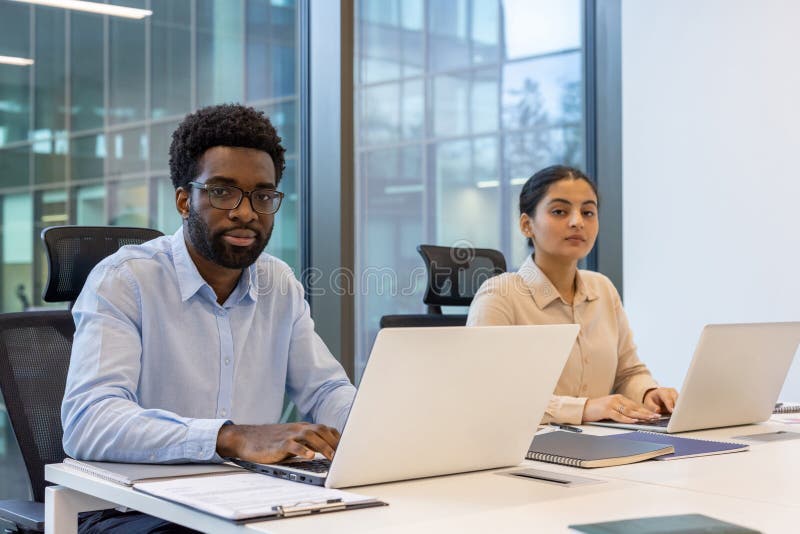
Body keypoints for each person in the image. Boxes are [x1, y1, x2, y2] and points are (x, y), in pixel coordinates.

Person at [62, 104, 356, 532]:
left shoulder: (278, 282)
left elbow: (326, 388)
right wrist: (231, 437)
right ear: (184, 200)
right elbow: (90, 420)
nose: (245, 212)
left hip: (255, 504)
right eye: (222, 191)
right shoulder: (124, 280)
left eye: (262, 195)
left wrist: (376, 434)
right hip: (135, 511)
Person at [467, 165, 677, 425]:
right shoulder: (500, 295)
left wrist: (648, 392)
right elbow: (488, 394)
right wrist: (584, 408)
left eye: (588, 212)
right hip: (524, 450)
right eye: (559, 211)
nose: (578, 221)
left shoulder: (603, 289)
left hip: (600, 442)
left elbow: (628, 373)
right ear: (526, 225)